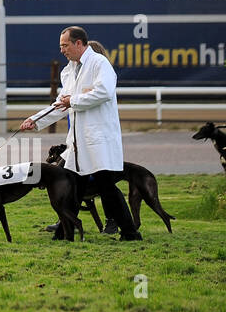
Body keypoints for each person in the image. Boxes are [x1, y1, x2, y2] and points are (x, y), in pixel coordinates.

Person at [20, 26, 141, 241]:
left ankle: (130, 233)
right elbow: (60, 105)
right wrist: (34, 121)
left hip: (97, 141)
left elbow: (104, 93)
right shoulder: (69, 71)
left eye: (65, 45)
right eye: (60, 46)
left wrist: (73, 100)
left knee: (105, 187)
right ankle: (64, 234)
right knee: (74, 188)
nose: (62, 50)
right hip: (78, 143)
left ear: (79, 43)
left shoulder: (99, 64)